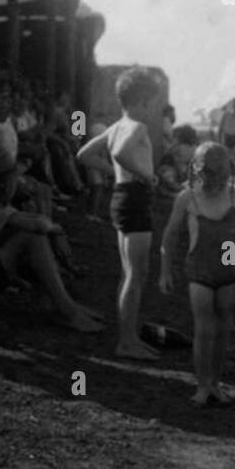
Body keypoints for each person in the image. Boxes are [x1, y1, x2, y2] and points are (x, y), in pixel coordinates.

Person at [0, 149, 102, 332]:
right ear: (3, 183)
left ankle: (62, 302)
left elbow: (30, 220)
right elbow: (37, 226)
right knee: (31, 237)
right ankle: (67, 310)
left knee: (27, 233)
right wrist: (54, 229)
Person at [160, 142, 235, 407]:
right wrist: (165, 270)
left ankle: (215, 381)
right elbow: (169, 235)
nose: (213, 182)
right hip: (200, 271)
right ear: (197, 171)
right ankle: (203, 384)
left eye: (219, 174)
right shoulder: (188, 197)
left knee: (224, 329)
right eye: (209, 174)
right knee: (204, 329)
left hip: (228, 268)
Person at [76, 68, 163, 360]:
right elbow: (121, 154)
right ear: (141, 101)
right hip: (135, 199)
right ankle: (127, 341)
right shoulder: (137, 127)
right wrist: (145, 176)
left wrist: (116, 175)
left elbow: (84, 155)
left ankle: (129, 336)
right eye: (152, 102)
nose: (153, 109)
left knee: (129, 273)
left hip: (121, 197)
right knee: (136, 275)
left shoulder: (116, 125)